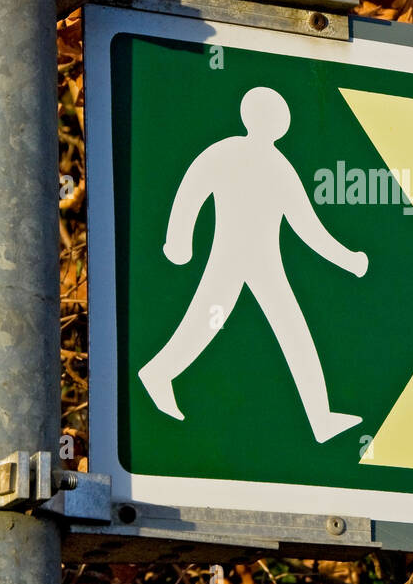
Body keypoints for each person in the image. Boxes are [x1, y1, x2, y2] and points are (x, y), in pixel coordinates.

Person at [138, 86, 368, 443]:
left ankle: (321, 419)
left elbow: (308, 227)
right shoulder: (234, 155)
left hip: (262, 263)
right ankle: (157, 373)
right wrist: (178, 241)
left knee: (282, 329)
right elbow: (192, 189)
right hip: (231, 258)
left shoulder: (277, 167)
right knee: (213, 323)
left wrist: (348, 259)